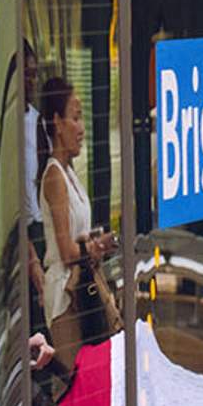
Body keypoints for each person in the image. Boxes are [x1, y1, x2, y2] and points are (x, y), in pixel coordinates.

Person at [37, 72, 117, 366]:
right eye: (75, 118)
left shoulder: (69, 173)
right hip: (65, 296)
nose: (82, 128)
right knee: (77, 380)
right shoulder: (55, 176)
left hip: (81, 288)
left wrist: (95, 241)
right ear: (57, 123)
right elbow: (68, 251)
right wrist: (95, 247)